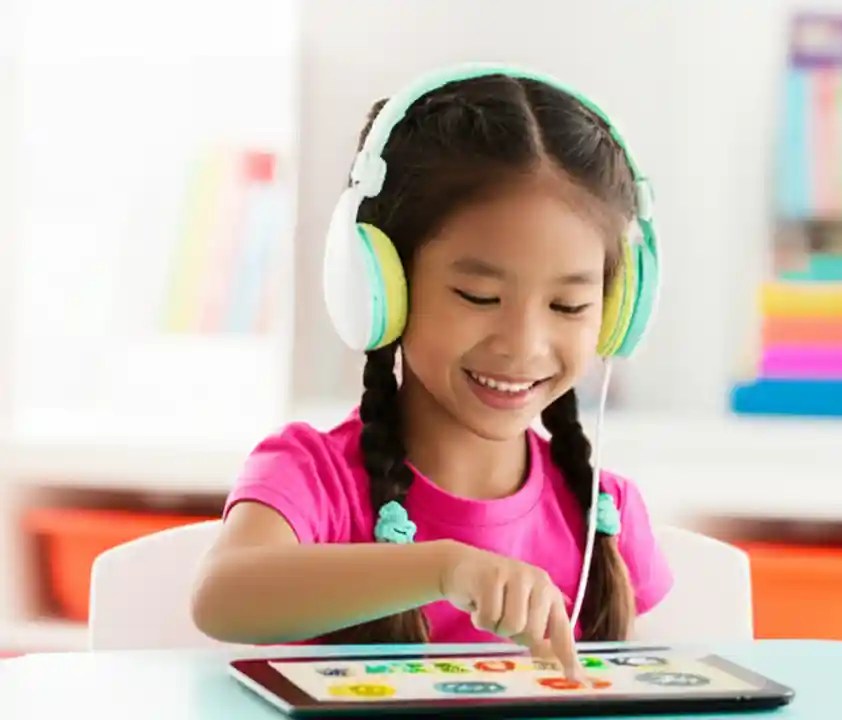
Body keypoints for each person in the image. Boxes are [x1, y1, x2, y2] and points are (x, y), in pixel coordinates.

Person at [190, 67, 673, 680]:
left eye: (568, 306)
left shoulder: (607, 511)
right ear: (380, 287)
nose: (523, 345)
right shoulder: (313, 477)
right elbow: (221, 595)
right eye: (478, 296)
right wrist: (442, 569)